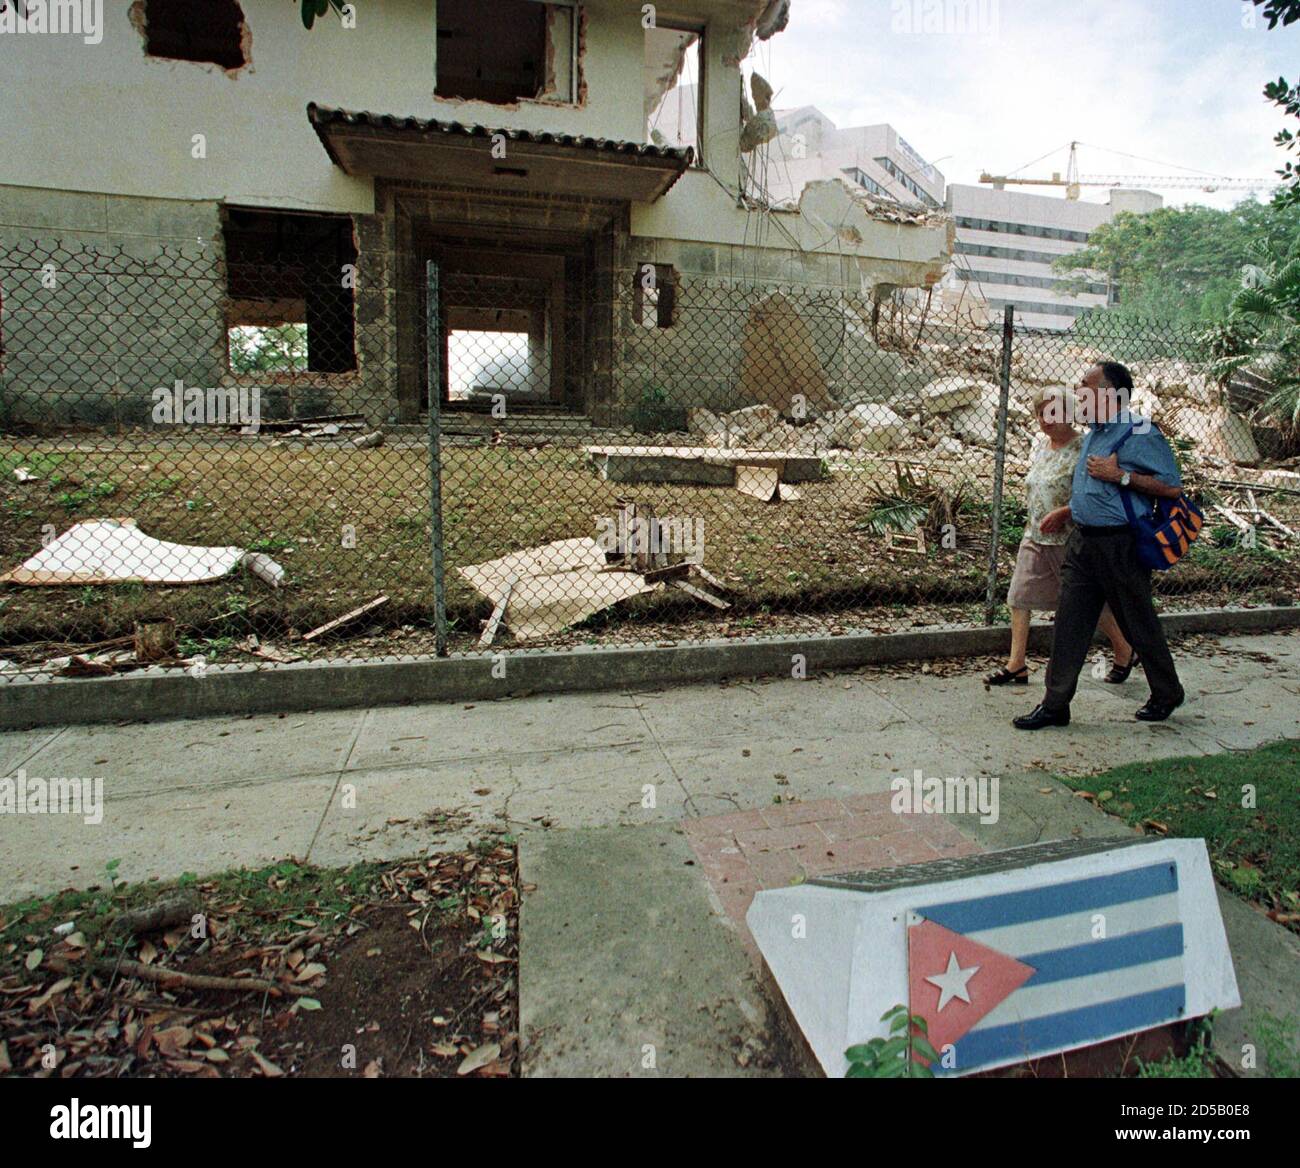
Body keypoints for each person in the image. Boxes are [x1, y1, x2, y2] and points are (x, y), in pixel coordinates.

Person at [1014, 361, 1187, 730]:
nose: (1078, 390)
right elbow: (1091, 489)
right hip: (1084, 543)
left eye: (1085, 385)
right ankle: (1055, 704)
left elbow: (1171, 487)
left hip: (1120, 544)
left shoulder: (1139, 431)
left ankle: (1167, 692)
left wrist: (1120, 476)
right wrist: (1070, 511)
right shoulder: (1093, 432)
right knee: (1069, 623)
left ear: (1109, 393)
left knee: (1138, 621)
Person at [985, 387, 1135, 687]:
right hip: (1035, 535)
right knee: (1019, 597)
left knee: (1090, 603)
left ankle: (1124, 648)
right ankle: (1017, 665)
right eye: (1041, 413)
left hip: (1070, 539)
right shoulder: (1040, 446)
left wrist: (1064, 512)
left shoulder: (1085, 448)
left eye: (1053, 412)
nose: (1045, 419)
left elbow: (1094, 493)